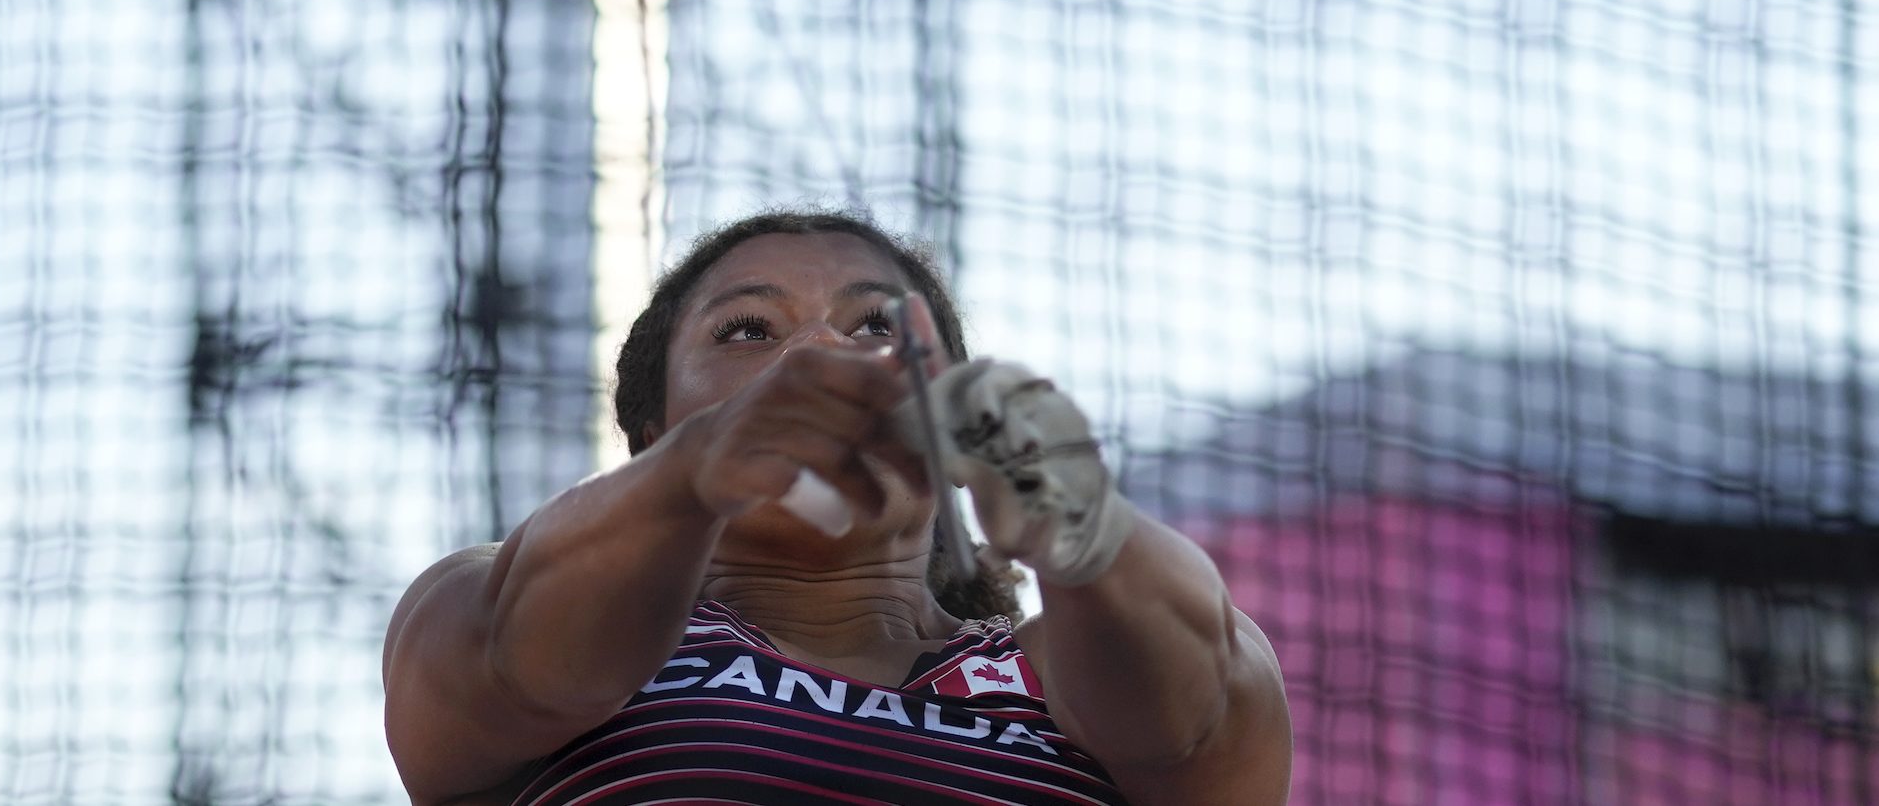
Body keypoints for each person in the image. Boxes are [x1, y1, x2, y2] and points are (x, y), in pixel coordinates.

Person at [383, 210, 1292, 805]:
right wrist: (697, 470)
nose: (821, 353)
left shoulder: (1056, 669)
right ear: (651, 431)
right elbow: (515, 662)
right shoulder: (510, 608)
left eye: (876, 327)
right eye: (748, 331)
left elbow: (1203, 726)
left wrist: (1083, 525)